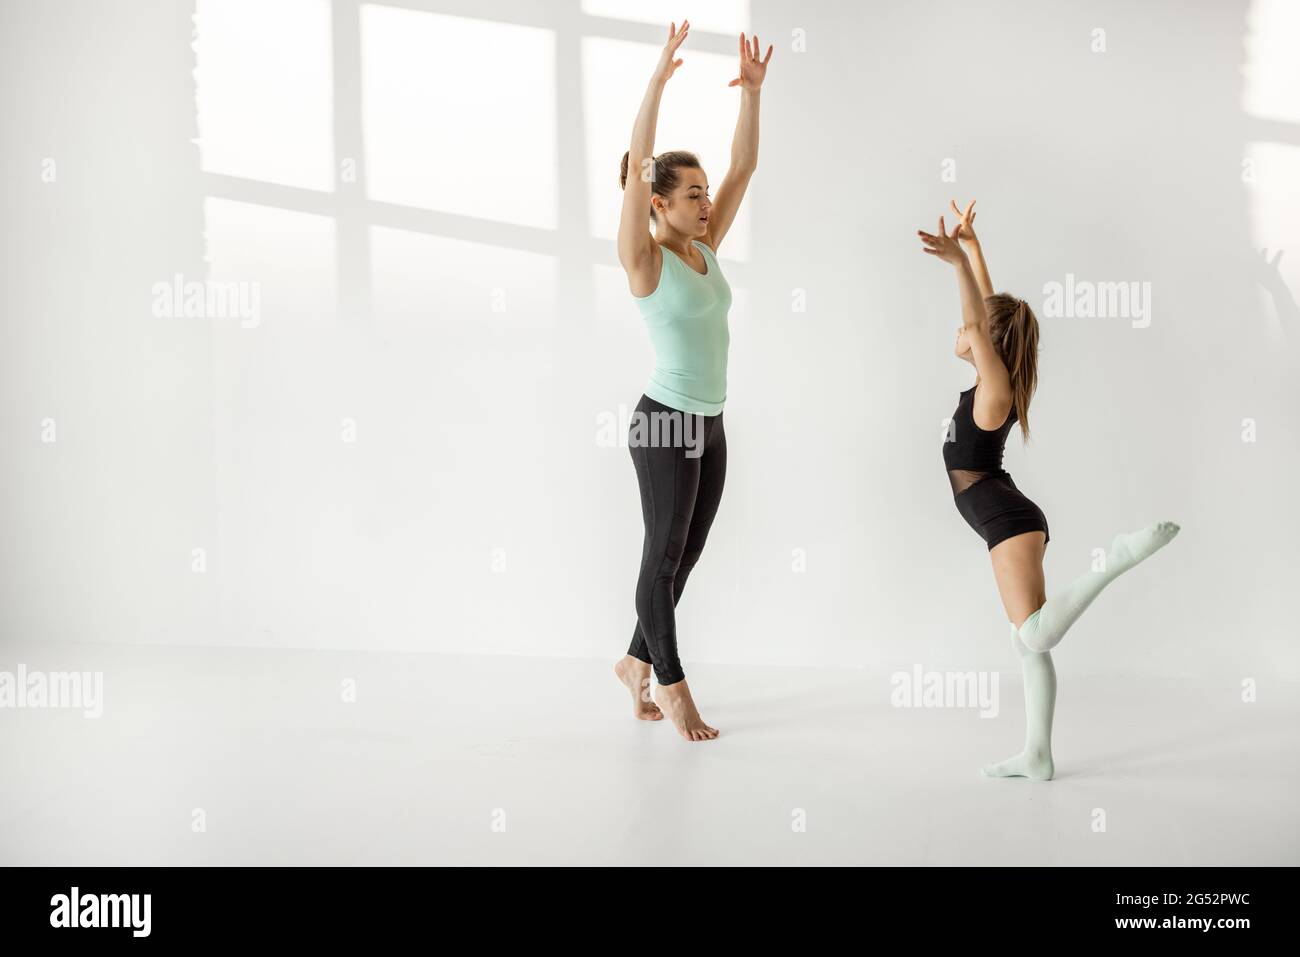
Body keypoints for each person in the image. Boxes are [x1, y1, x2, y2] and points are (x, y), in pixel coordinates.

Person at [919, 200, 1181, 779]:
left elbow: (977, 316)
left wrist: (959, 262)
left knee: (1033, 636)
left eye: (972, 332)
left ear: (985, 342)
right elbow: (987, 316)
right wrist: (975, 248)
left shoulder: (994, 389)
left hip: (1005, 516)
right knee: (1026, 641)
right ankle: (1038, 754)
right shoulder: (993, 381)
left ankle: (1115, 560)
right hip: (1008, 513)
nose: (961, 332)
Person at [612, 22, 772, 741]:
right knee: (664, 553)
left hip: (710, 419)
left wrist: (754, 97)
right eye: (692, 194)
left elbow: (744, 167)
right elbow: (643, 159)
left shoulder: (705, 247)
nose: (707, 202)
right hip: (664, 420)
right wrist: (655, 83)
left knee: (689, 551)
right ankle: (673, 689)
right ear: (658, 201)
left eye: (705, 194)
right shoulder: (645, 261)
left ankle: (632, 658)